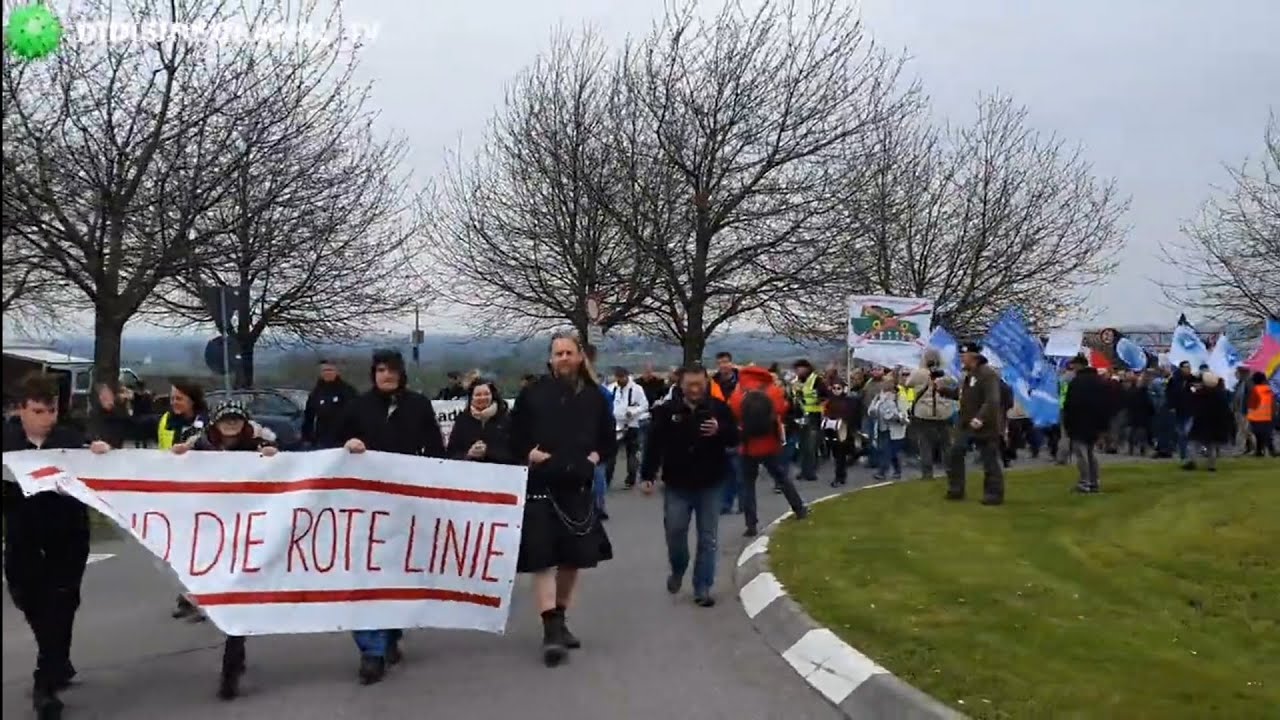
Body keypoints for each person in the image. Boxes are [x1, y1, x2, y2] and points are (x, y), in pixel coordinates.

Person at [3, 373, 111, 719]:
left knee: (61, 606)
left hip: (67, 537)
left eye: (51, 410)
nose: (46, 418)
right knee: (29, 600)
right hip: (22, 538)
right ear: (20, 410)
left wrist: (99, 454)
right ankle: (56, 658)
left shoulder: (70, 440)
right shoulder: (6, 441)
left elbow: (97, 463)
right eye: (38, 411)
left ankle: (45, 686)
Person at [340, 349, 446, 683]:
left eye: (392, 370)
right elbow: (328, 444)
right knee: (367, 574)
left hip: (405, 503)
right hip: (365, 504)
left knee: (398, 573)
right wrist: (348, 444)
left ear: (402, 374)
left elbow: (436, 451)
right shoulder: (357, 406)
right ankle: (371, 650)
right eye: (380, 370)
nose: (386, 375)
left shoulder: (418, 405)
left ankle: (390, 633)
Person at [509, 331, 615, 667]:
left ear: (580, 356)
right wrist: (529, 453)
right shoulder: (533, 394)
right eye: (558, 353)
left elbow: (607, 439)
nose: (564, 358)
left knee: (573, 559)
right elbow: (513, 436)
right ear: (550, 359)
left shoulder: (595, 397)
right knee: (542, 559)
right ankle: (551, 629)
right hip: (541, 484)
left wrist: (594, 458)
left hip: (577, 486)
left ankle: (561, 617)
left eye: (569, 352)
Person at [172, 399, 278, 700]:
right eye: (225, 419)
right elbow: (174, 471)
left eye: (236, 419)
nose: (231, 424)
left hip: (247, 531)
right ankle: (231, 646)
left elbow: (288, 467)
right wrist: (178, 456)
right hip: (212, 531)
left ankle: (232, 660)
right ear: (215, 423)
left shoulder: (258, 446)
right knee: (218, 589)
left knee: (237, 596)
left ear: (245, 423)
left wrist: (274, 456)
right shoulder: (200, 446)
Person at [640, 365, 739, 606]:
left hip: (710, 483)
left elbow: (735, 438)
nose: (695, 390)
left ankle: (702, 587)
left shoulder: (719, 408)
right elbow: (653, 444)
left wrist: (720, 430)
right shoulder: (666, 411)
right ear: (680, 385)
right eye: (689, 385)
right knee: (675, 533)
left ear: (707, 383)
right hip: (677, 484)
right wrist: (648, 475)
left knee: (708, 538)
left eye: (699, 384)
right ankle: (678, 568)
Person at [728, 365, 809, 537]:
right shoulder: (772, 390)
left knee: (748, 485)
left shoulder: (739, 392)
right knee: (782, 478)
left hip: (747, 445)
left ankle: (751, 524)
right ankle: (799, 509)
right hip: (770, 443)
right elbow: (782, 409)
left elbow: (733, 411)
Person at [160, 379, 210, 621]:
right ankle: (188, 595)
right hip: (175, 491)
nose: (174, 402)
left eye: (179, 398)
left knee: (202, 547)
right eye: (172, 398)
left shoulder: (207, 423)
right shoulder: (167, 421)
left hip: (202, 494)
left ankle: (203, 598)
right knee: (182, 548)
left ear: (192, 400)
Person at [940, 342, 1005, 505]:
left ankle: (994, 494)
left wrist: (981, 417)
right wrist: (943, 391)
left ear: (974, 357)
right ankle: (956, 489)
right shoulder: (968, 375)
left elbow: (992, 400)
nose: (961, 358)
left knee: (989, 459)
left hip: (985, 424)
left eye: (964, 356)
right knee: (955, 453)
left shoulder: (988, 374)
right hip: (966, 423)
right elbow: (962, 395)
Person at [1062, 359, 1111, 493]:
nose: (1073, 368)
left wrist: (1068, 423)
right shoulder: (1099, 381)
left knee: (1081, 454)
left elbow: (1070, 405)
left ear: (1079, 366)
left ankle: (1084, 482)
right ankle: (1095, 481)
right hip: (1095, 423)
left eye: (1074, 365)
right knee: (1091, 453)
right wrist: (1103, 426)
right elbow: (1105, 405)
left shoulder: (1077, 382)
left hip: (1079, 423)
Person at [445, 380, 513, 463]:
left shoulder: (506, 418)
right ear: (471, 397)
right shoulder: (462, 420)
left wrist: (488, 452)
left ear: (493, 396)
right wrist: (468, 454)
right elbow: (451, 453)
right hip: (468, 469)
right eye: (478, 395)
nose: (482, 398)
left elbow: (515, 453)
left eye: (486, 394)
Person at [605, 367, 649, 490]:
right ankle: (607, 480)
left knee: (632, 453)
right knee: (610, 455)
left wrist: (633, 412)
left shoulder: (637, 389)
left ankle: (631, 479)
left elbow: (644, 405)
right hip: (615, 425)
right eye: (617, 377)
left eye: (622, 377)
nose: (619, 380)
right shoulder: (612, 388)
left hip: (631, 425)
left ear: (627, 376)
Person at [1184, 371, 1235, 472]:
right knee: (1212, 445)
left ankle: (1192, 461)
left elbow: (1193, 401)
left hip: (1201, 422)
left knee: (1194, 442)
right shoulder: (1220, 394)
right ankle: (1211, 465)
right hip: (1215, 424)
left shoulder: (1201, 393)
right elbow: (1226, 411)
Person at [302, 359, 357, 449]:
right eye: (324, 370)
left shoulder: (348, 391)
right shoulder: (316, 393)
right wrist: (307, 437)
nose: (327, 373)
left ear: (337, 372)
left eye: (330, 370)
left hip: (343, 440)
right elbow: (309, 416)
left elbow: (356, 415)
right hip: (321, 441)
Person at [791, 359, 829, 482]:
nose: (797, 371)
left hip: (813, 415)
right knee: (802, 445)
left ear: (806, 368)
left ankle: (810, 471)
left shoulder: (816, 380)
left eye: (799, 369)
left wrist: (819, 401)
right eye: (796, 369)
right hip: (801, 416)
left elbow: (826, 396)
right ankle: (804, 470)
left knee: (811, 445)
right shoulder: (798, 381)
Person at [820, 378, 863, 487]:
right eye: (834, 388)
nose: (836, 390)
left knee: (841, 455)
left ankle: (839, 477)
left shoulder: (849, 401)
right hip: (832, 430)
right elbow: (826, 413)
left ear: (843, 389)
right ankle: (842, 475)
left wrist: (848, 425)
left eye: (838, 388)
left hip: (844, 430)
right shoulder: (830, 401)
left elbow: (853, 415)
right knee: (836, 455)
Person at [868, 374, 909, 480]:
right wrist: (873, 412)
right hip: (881, 427)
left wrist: (895, 416)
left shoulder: (899, 396)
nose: (885, 384)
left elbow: (904, 413)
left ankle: (882, 472)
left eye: (888, 382)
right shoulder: (879, 396)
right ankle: (896, 470)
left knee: (889, 451)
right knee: (885, 450)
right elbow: (872, 408)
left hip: (894, 429)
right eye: (884, 382)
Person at [88, 382, 133, 449]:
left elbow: (121, 435)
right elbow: (90, 434)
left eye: (108, 395)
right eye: (102, 395)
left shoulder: (120, 415)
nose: (104, 398)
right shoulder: (94, 414)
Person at [1245, 371, 1276, 456]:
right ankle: (1271, 450)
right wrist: (1273, 413)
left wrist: (1249, 416)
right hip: (1268, 416)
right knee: (1267, 434)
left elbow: (1252, 405)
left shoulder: (1255, 390)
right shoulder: (1268, 390)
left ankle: (1259, 451)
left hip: (1256, 417)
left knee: (1258, 435)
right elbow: (1272, 403)